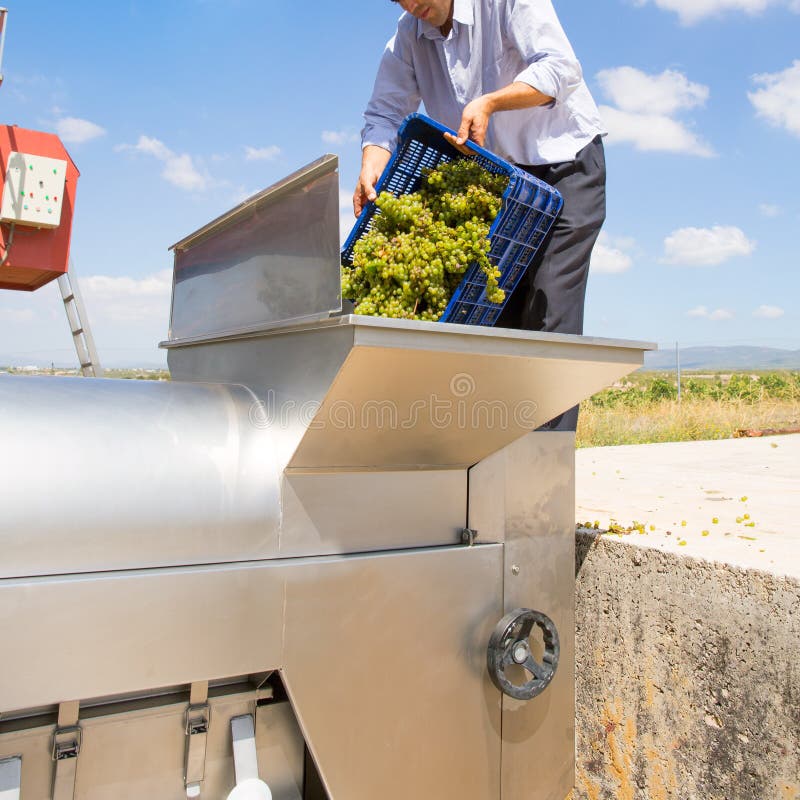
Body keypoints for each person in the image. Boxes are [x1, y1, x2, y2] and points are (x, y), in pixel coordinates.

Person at [353, 0, 606, 431]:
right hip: (499, 180)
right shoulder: (408, 36)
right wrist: (372, 158)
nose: (411, 5)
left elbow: (561, 67)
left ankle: (543, 471)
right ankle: (494, 465)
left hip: (562, 164)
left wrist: (492, 102)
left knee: (548, 313)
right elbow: (383, 112)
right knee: (493, 316)